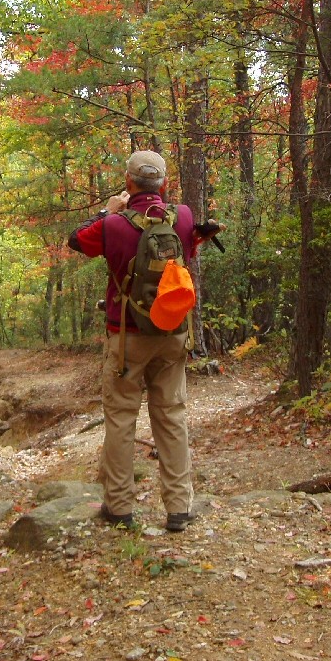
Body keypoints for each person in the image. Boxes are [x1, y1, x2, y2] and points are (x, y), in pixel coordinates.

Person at [68, 150, 218, 532]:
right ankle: (179, 508)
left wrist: (107, 209)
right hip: (172, 335)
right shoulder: (183, 216)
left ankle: (119, 507)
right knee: (171, 417)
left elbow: (76, 242)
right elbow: (189, 248)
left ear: (129, 182)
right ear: (164, 184)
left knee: (120, 419)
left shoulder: (113, 225)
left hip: (126, 338)